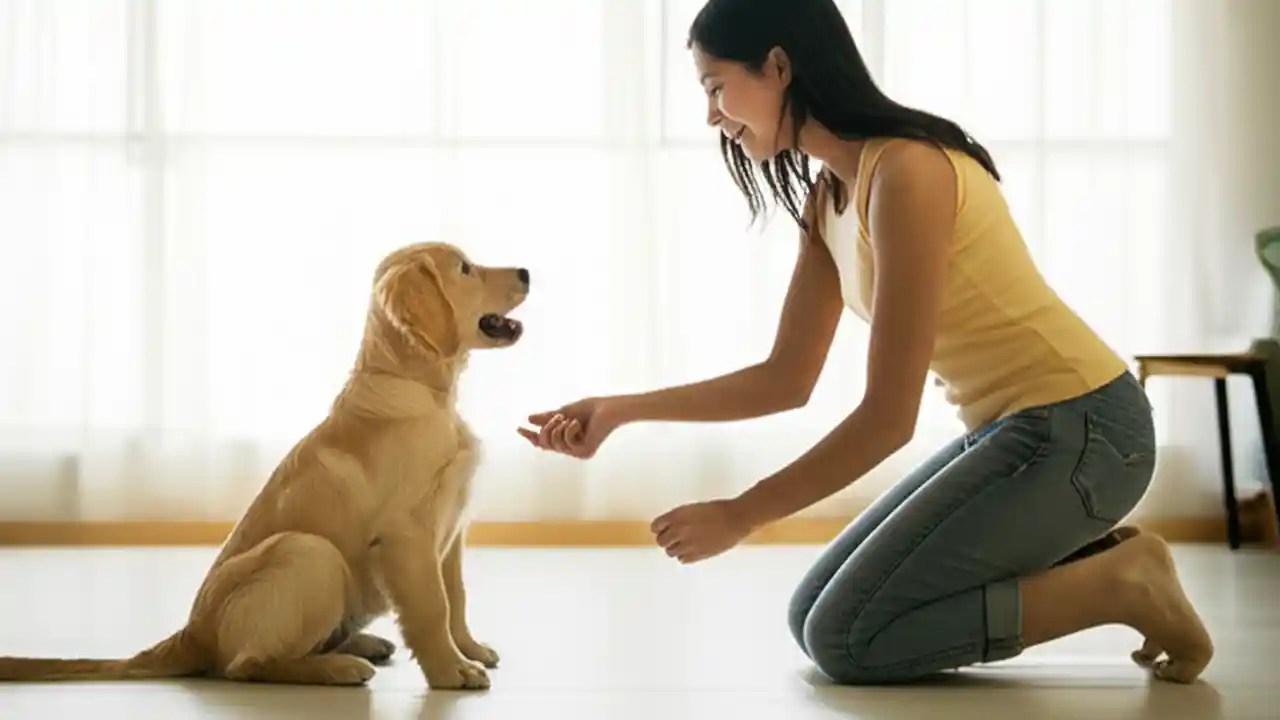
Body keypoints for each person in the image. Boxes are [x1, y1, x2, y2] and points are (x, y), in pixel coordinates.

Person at [519, 0, 1213, 686]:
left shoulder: (908, 174)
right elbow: (784, 377)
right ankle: (1101, 560)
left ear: (779, 66)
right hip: (1019, 432)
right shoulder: (830, 198)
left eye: (714, 87)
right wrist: (619, 409)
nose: (711, 116)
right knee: (811, 616)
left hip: (1085, 430)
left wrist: (742, 513)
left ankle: (1120, 583)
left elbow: (888, 419)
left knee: (850, 640)